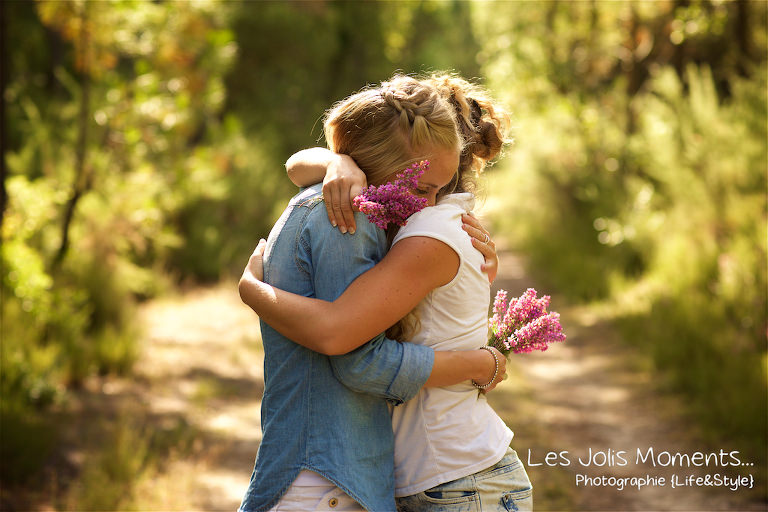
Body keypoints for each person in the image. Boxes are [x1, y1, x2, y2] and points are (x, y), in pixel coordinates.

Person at [241, 74, 533, 511]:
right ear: (368, 164)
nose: (428, 205)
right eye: (421, 189)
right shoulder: (347, 215)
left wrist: (253, 290)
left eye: (437, 191)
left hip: (450, 477)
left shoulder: (417, 227)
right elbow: (349, 347)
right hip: (346, 476)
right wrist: (251, 290)